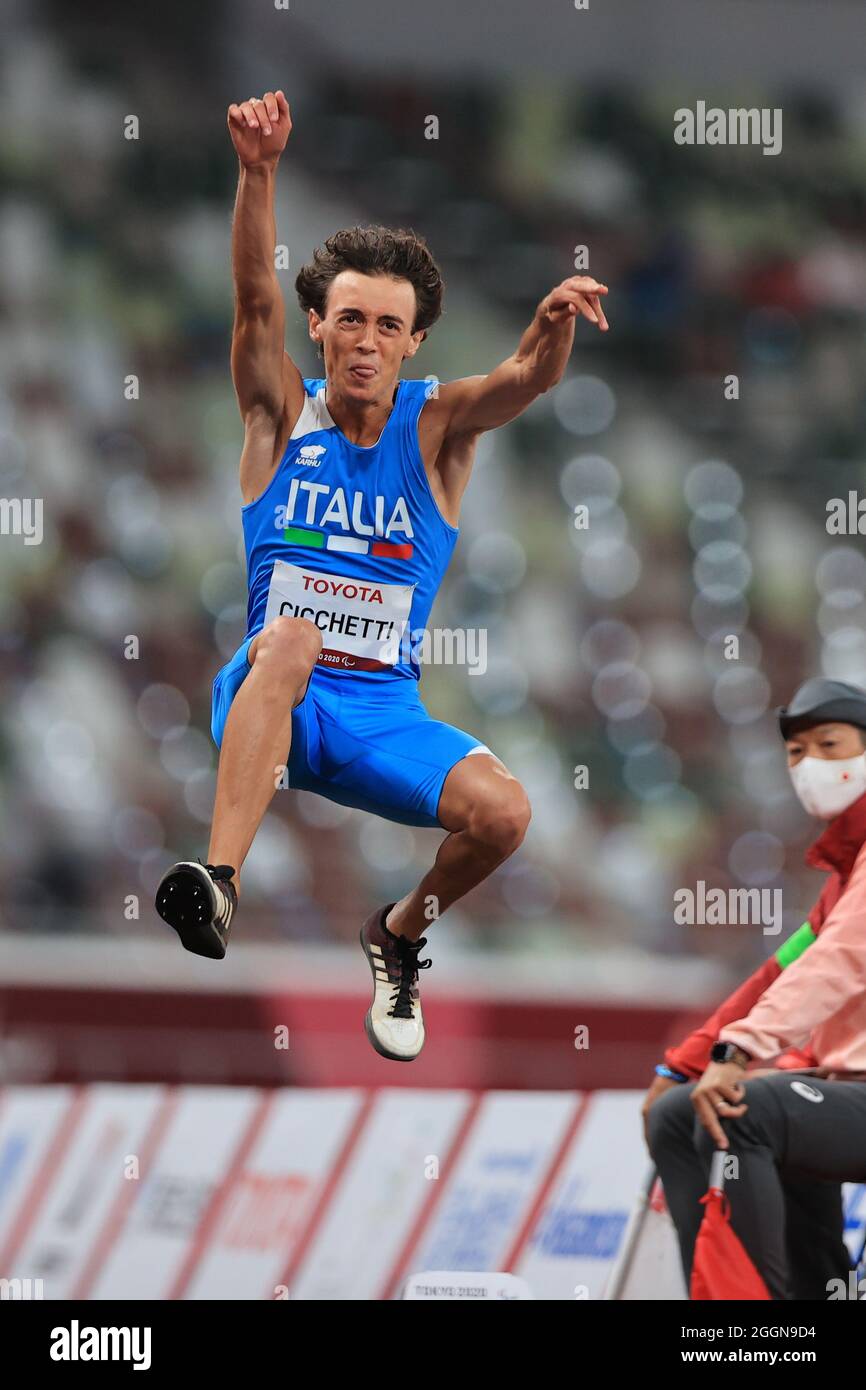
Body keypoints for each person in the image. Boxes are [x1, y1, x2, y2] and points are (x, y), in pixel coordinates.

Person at [154, 90, 610, 1062]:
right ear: (318, 325)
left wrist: (554, 319)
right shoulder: (279, 416)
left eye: (386, 327)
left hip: (380, 715)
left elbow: (524, 378)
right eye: (348, 319)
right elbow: (250, 301)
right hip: (274, 698)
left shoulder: (437, 429)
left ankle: (398, 933)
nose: (365, 341)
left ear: (412, 344)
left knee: (507, 814)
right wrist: (258, 172)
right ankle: (220, 881)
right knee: (288, 637)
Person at [645, 677, 866, 1299]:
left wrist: (734, 1055)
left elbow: (839, 963)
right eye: (796, 753)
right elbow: (784, 971)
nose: (810, 766)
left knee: (743, 1109)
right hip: (844, 1086)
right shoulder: (842, 880)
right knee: (675, 1113)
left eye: (829, 744)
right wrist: (687, 1062)